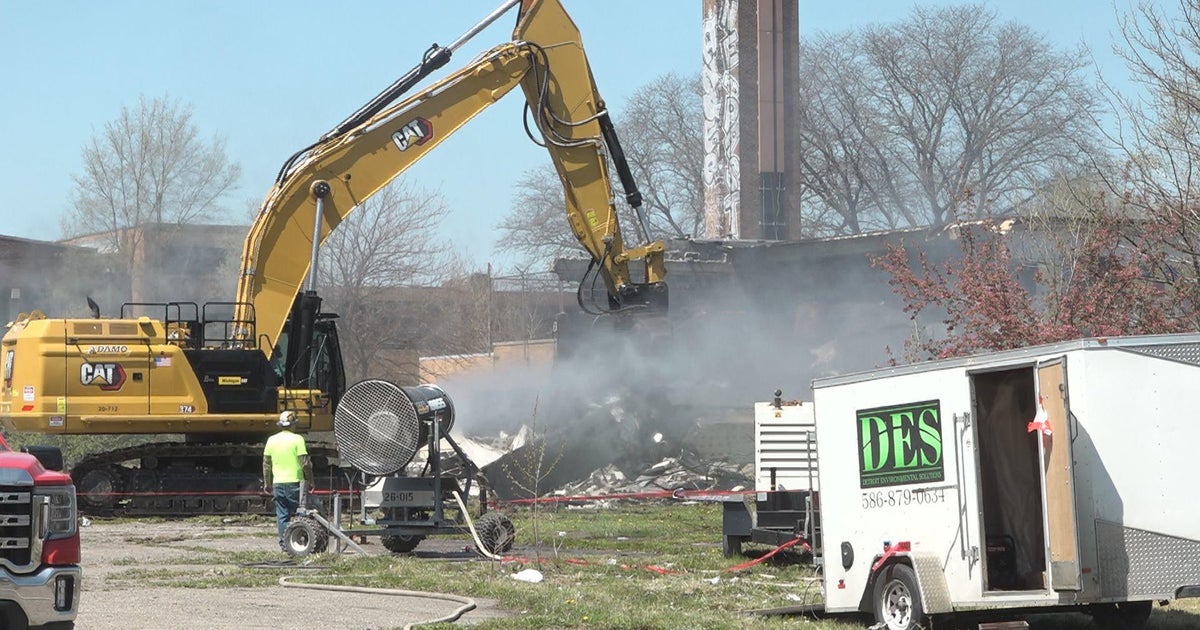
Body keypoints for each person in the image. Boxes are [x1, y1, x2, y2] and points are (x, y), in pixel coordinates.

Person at [262, 410, 313, 546]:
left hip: (278, 483)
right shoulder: (298, 439)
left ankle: (285, 543)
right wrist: (311, 481)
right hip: (295, 483)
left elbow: (266, 464)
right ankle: (300, 542)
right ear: (293, 425)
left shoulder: (271, 440)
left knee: (282, 515)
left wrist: (267, 483)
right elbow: (305, 463)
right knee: (300, 514)